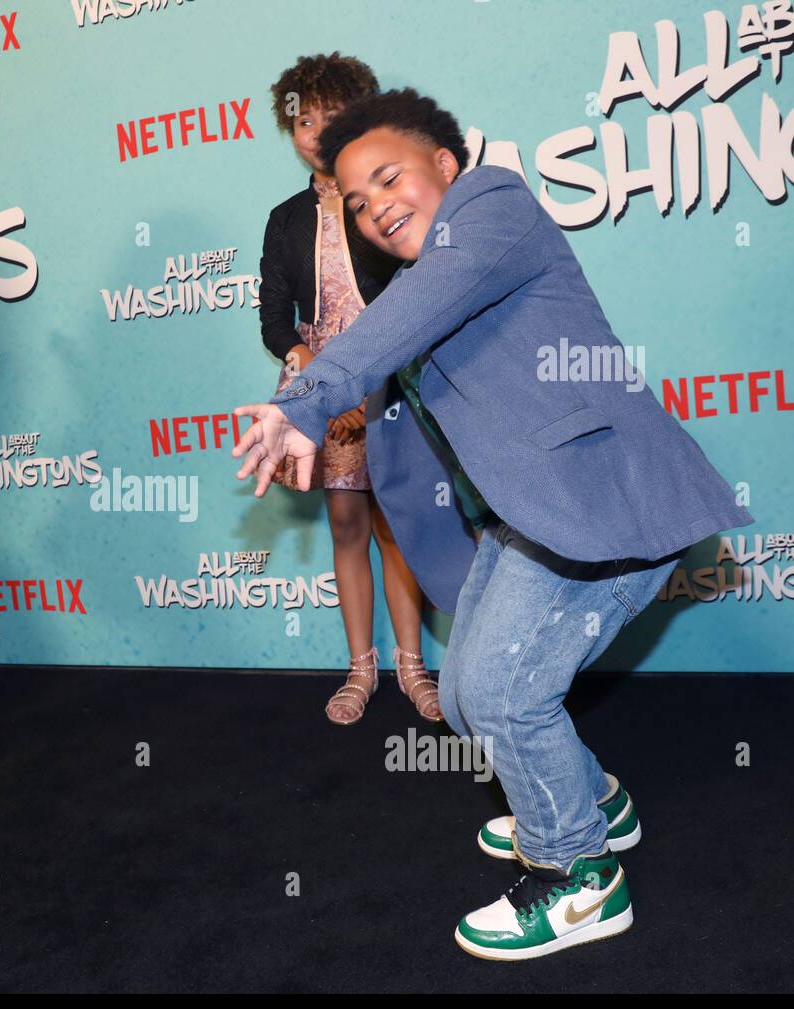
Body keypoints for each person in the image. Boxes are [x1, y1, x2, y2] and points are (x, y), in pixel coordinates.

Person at [232, 88, 753, 959]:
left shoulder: (495, 207)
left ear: (447, 164)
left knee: (509, 696)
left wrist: (312, 396)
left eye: (388, 178)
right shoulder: (425, 282)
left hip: (601, 504)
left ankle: (578, 878)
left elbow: (402, 324)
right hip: (529, 520)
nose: (374, 208)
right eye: (355, 202)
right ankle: (592, 804)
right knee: (470, 701)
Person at [259, 53, 443, 725]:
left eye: (330, 116)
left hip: (394, 384)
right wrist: (305, 357)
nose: (314, 130)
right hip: (328, 396)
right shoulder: (285, 219)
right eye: (302, 119)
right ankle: (359, 669)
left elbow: (421, 286)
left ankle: (413, 668)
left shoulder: (387, 201)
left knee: (398, 527)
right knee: (346, 524)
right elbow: (272, 316)